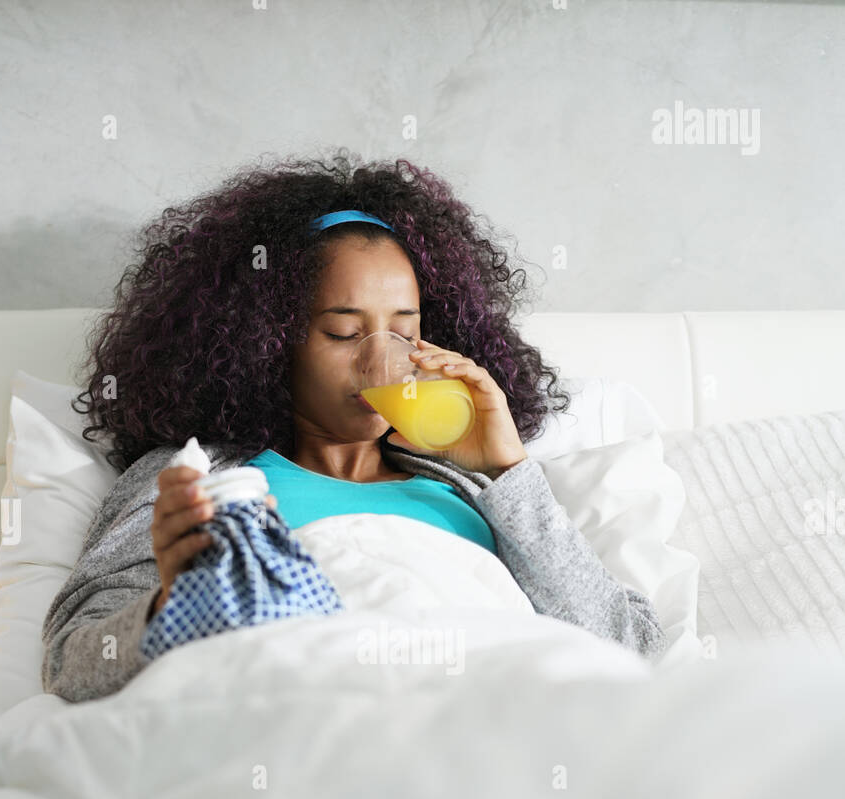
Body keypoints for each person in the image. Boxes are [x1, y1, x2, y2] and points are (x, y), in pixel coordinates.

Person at [41, 153, 666, 702]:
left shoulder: (478, 490)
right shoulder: (198, 482)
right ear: (267, 343)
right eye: (343, 332)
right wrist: (174, 610)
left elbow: (628, 647)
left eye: (404, 331)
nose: (379, 357)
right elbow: (71, 663)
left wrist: (508, 471)